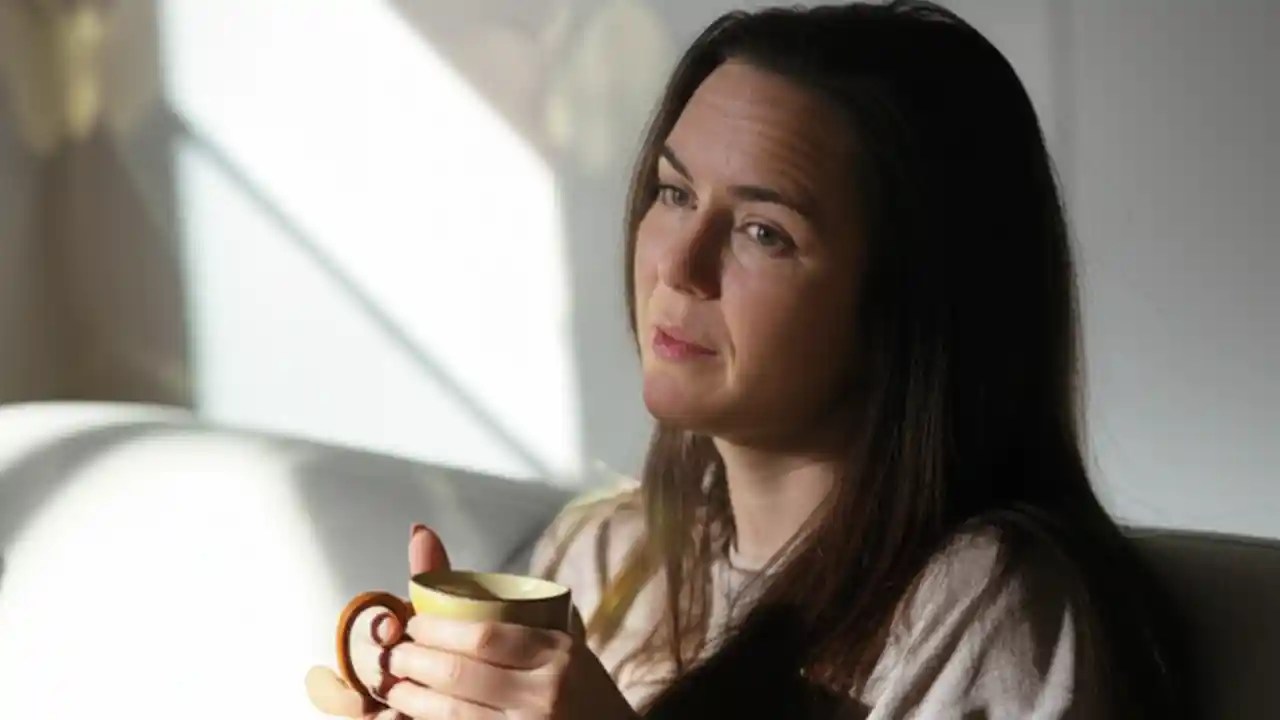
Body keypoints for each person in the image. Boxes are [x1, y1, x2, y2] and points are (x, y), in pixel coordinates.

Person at [305, 2, 1188, 717]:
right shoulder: (607, 554)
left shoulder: (988, 609)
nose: (677, 267)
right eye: (673, 192)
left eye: (764, 232)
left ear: (911, 303)